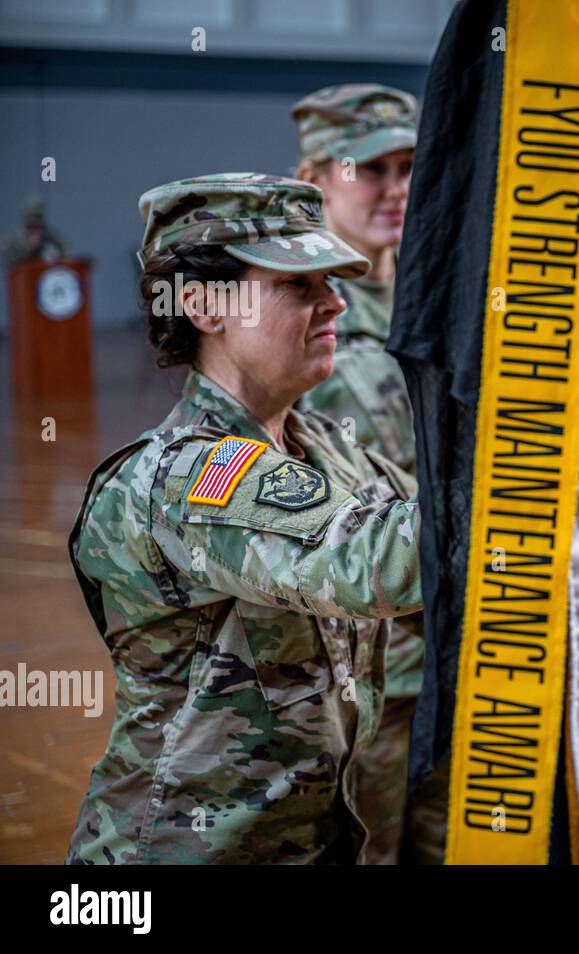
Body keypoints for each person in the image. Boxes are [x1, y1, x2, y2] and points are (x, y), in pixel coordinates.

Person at [67, 174, 425, 863]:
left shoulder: (326, 448)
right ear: (204, 305)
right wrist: (575, 433)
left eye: (331, 282)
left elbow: (454, 563)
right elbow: (380, 562)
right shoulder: (183, 476)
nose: (335, 303)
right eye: (299, 286)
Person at [290, 82, 446, 864]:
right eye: (370, 169)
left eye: (408, 166)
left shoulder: (426, 298)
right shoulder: (298, 317)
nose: (394, 189)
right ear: (317, 178)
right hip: (361, 680)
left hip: (451, 656)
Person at [3, 197, 65, 265]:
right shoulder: (15, 238)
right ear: (26, 217)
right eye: (32, 216)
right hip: (23, 273)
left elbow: (64, 249)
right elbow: (11, 262)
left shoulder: (47, 233)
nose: (35, 220)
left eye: (38, 216)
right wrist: (29, 249)